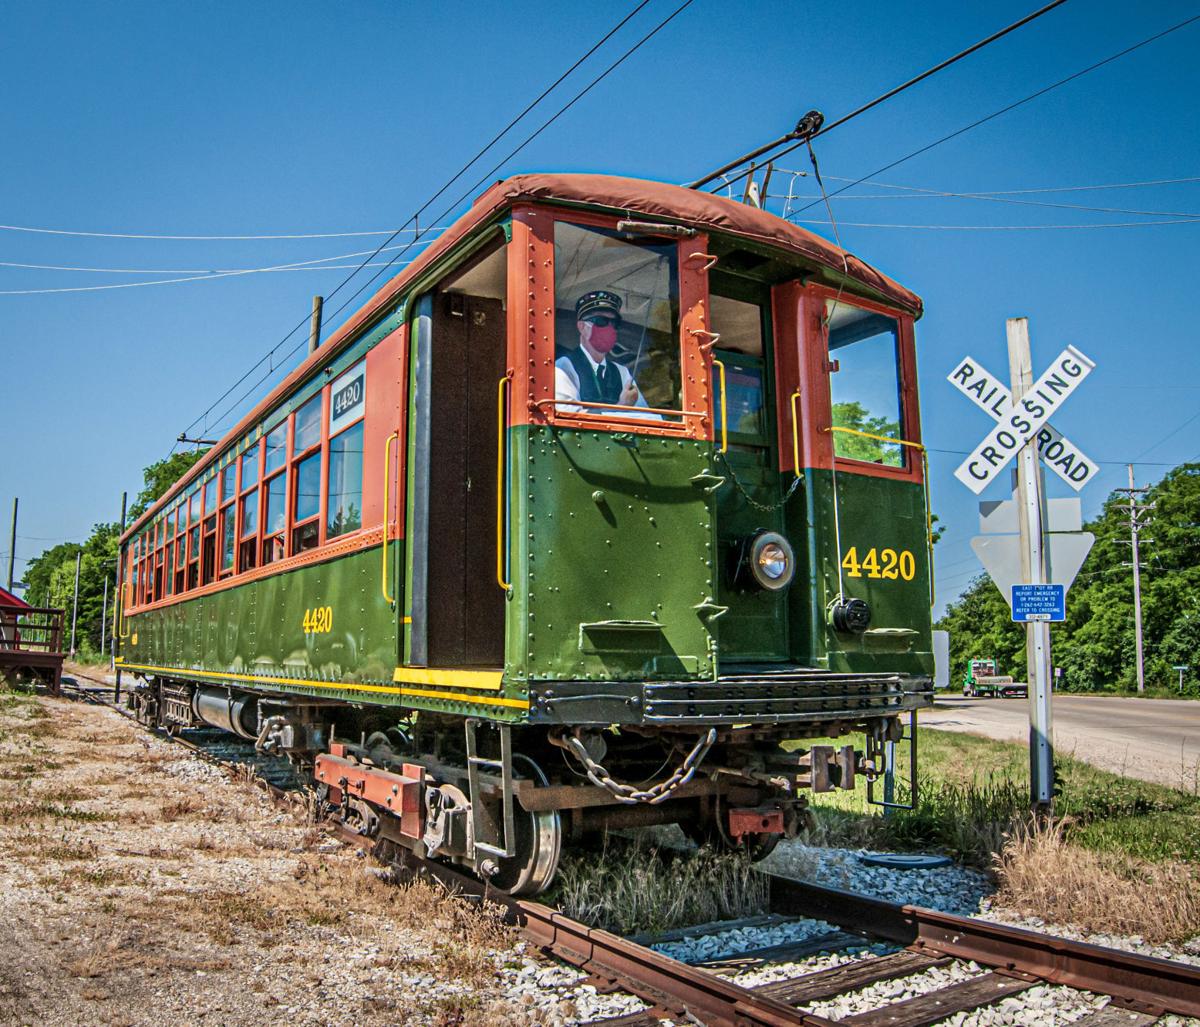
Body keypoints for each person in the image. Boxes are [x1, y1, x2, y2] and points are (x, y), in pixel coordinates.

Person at [555, 290, 650, 412]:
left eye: (614, 323)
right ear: (582, 326)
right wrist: (621, 407)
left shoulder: (622, 372)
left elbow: (645, 415)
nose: (609, 328)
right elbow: (568, 416)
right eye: (601, 321)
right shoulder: (564, 366)